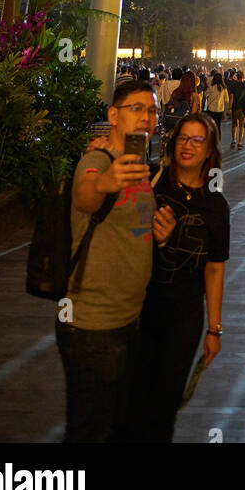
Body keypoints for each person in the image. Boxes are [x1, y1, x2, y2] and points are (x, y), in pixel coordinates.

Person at [56, 79, 176, 443]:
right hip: (92, 324)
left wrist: (162, 233)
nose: (146, 118)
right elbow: (85, 196)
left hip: (128, 320)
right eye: (136, 109)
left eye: (152, 111)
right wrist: (103, 183)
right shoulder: (97, 161)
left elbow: (133, 230)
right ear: (113, 115)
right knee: (89, 429)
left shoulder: (138, 167)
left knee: (113, 423)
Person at [121, 113, 229, 442]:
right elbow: (127, 234)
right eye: (183, 138)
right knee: (130, 401)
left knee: (166, 402)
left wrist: (214, 328)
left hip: (184, 314)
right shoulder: (152, 182)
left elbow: (214, 267)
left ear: (210, 150)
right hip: (140, 307)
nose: (188, 146)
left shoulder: (215, 205)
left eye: (197, 140)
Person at [205, 72, 229, 140]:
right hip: (220, 110)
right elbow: (226, 99)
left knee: (211, 126)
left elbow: (205, 94)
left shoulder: (211, 87)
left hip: (211, 109)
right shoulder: (224, 88)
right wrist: (225, 111)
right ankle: (218, 141)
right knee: (218, 126)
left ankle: (212, 140)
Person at [229, 71, 245, 150]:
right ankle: (240, 143)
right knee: (241, 126)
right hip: (243, 108)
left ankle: (233, 141)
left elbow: (231, 98)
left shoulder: (233, 85)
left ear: (236, 76)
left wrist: (229, 108)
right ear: (243, 77)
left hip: (235, 108)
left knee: (234, 125)